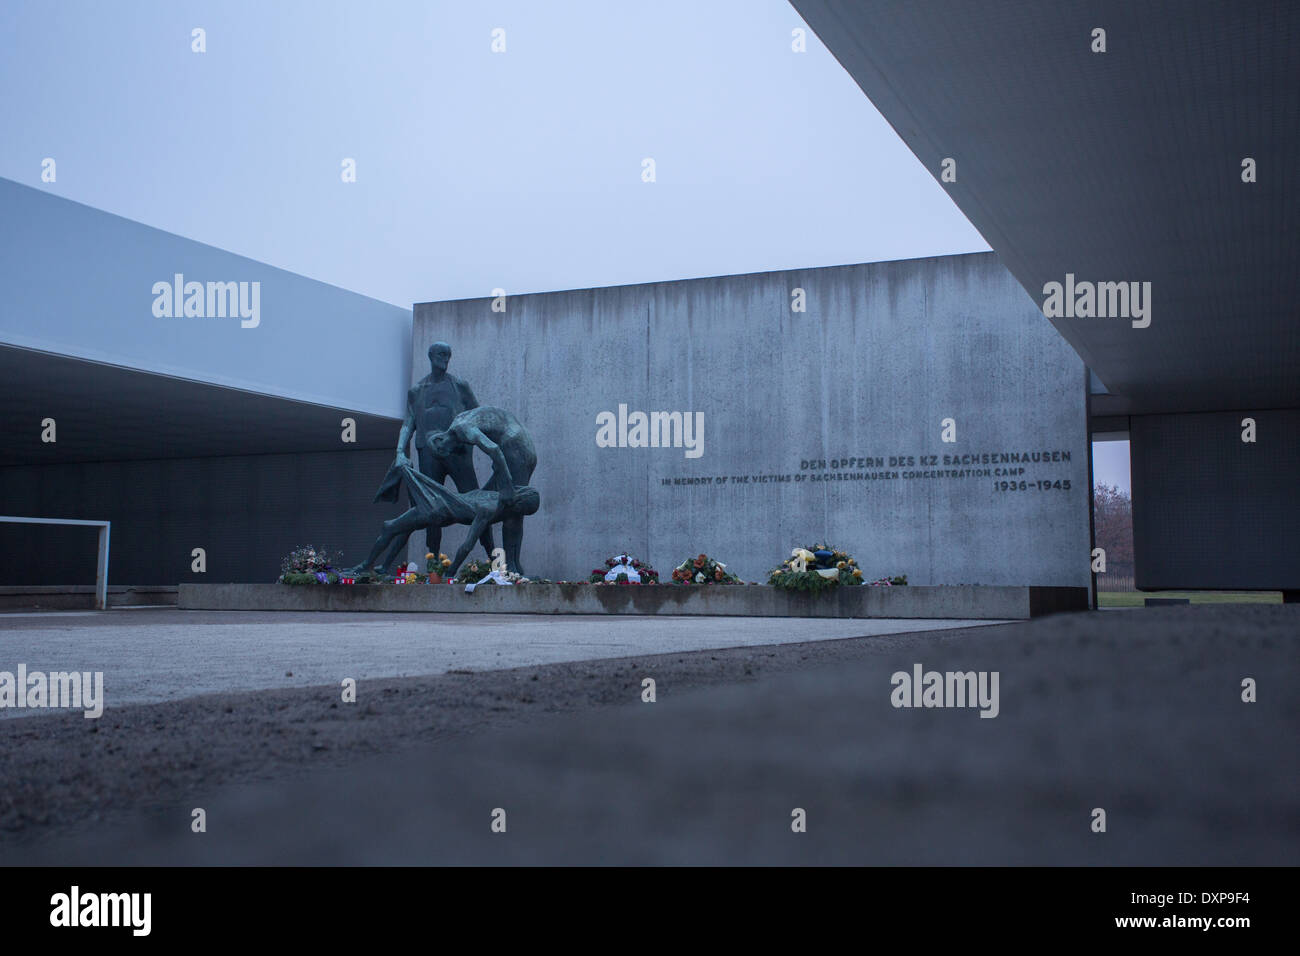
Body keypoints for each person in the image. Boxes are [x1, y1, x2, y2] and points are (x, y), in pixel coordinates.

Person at [387, 341, 492, 560]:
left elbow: (479, 415)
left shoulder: (460, 386)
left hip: (457, 452)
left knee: (478, 502)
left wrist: (488, 446)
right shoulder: (416, 391)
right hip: (428, 453)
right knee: (429, 508)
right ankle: (433, 562)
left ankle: (493, 556)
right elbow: (408, 423)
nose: (445, 358)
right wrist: (399, 451)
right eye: (442, 354)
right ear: (431, 356)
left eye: (448, 354)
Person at [428, 407, 537, 573]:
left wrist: (507, 486)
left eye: (447, 452)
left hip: (516, 450)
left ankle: (513, 569)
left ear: (439, 441)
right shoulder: (460, 419)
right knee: (486, 501)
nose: (452, 453)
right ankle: (500, 563)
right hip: (516, 445)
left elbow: (493, 449)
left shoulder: (462, 430)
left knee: (512, 509)